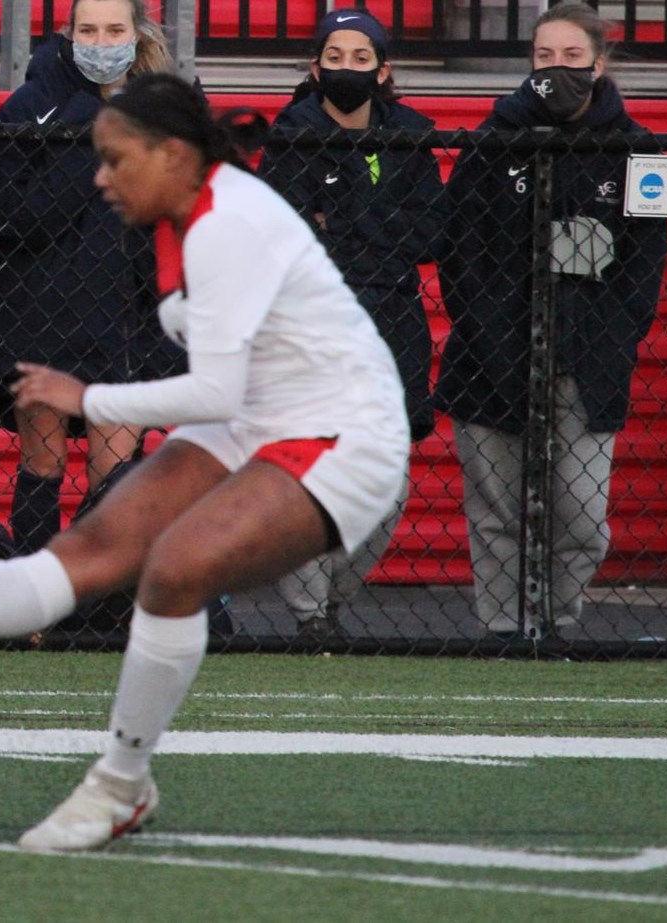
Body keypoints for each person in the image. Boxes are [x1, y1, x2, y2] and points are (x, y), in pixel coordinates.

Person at [0, 74, 409, 852]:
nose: (99, 176)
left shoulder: (224, 222)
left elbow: (215, 387)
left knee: (173, 567)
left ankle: (119, 783)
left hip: (345, 431)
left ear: (172, 154)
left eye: (113, 160)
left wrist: (87, 397)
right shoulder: (182, 211)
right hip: (258, 418)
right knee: (84, 553)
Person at [435, 2, 667, 641]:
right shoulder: (492, 140)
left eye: (571, 57)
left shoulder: (635, 149)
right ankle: (504, 631)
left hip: (586, 363)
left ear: (599, 62)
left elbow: (644, 266)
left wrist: (610, 339)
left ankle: (556, 623)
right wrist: (490, 335)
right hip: (491, 358)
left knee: (580, 519)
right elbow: (460, 251)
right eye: (544, 57)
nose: (557, 69)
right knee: (496, 513)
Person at [258, 8, 443, 639]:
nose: (346, 69)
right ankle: (311, 617)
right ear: (315, 66)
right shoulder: (290, 137)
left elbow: (429, 235)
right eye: (333, 57)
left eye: (360, 58)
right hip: (308, 332)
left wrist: (343, 223)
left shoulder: (413, 136)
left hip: (393, 327)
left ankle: (333, 595)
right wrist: (373, 231)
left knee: (386, 485)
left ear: (383, 69)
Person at [0, 0, 182, 555]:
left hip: (127, 320)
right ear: (67, 35)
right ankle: (34, 607)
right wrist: (93, 126)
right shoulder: (31, 105)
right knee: (41, 462)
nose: (100, 41)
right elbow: (18, 215)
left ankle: (101, 607)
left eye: (114, 30)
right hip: (41, 313)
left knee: (115, 473)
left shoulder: (168, 113)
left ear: (136, 36)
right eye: (87, 30)